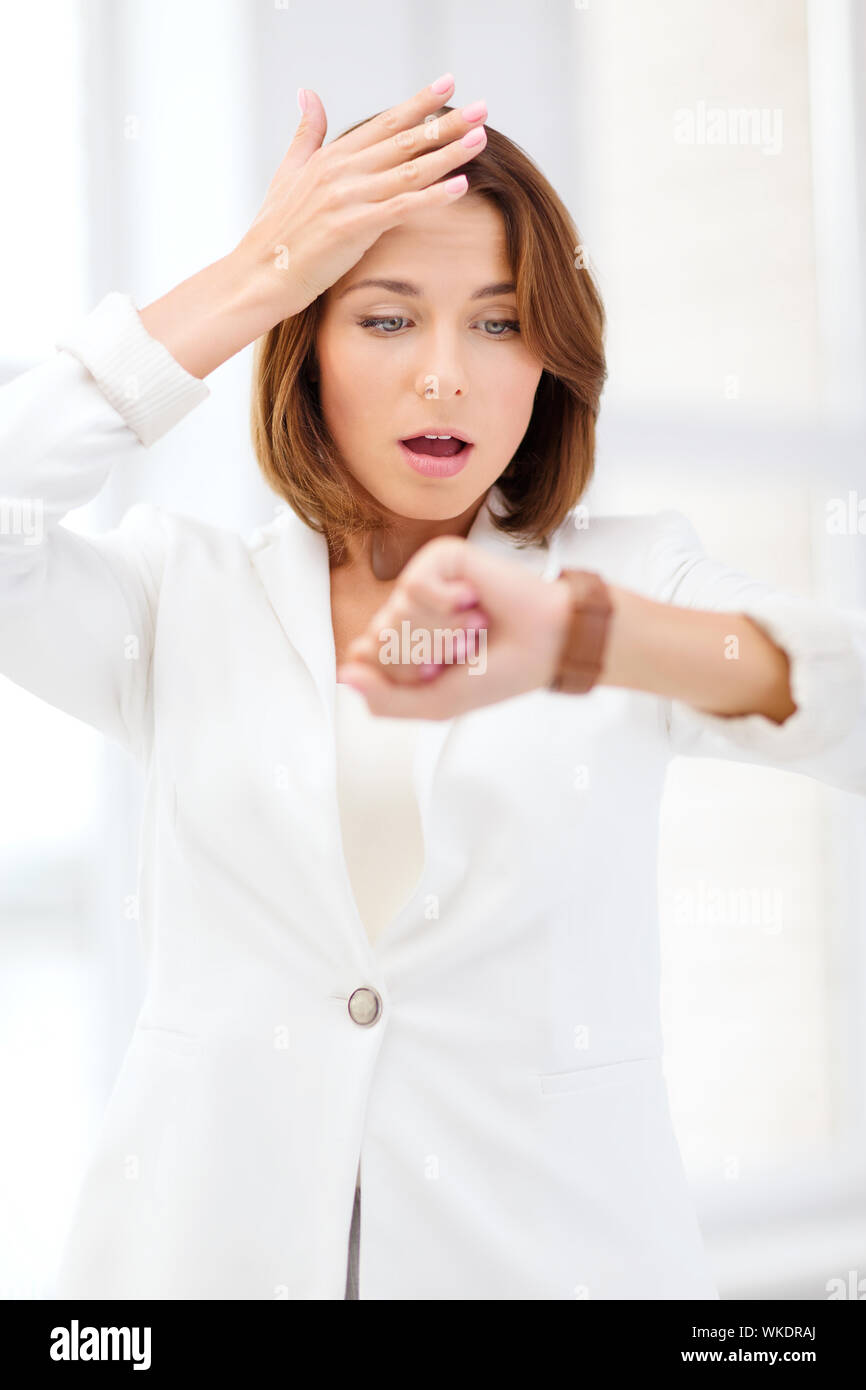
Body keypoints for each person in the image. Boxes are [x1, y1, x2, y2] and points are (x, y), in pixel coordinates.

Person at [1, 74, 864, 1301]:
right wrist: (253, 273)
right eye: (387, 319)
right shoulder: (177, 597)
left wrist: (581, 633)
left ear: (549, 360)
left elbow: (839, 701)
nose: (446, 376)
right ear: (304, 345)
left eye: (500, 323)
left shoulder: (626, 582)